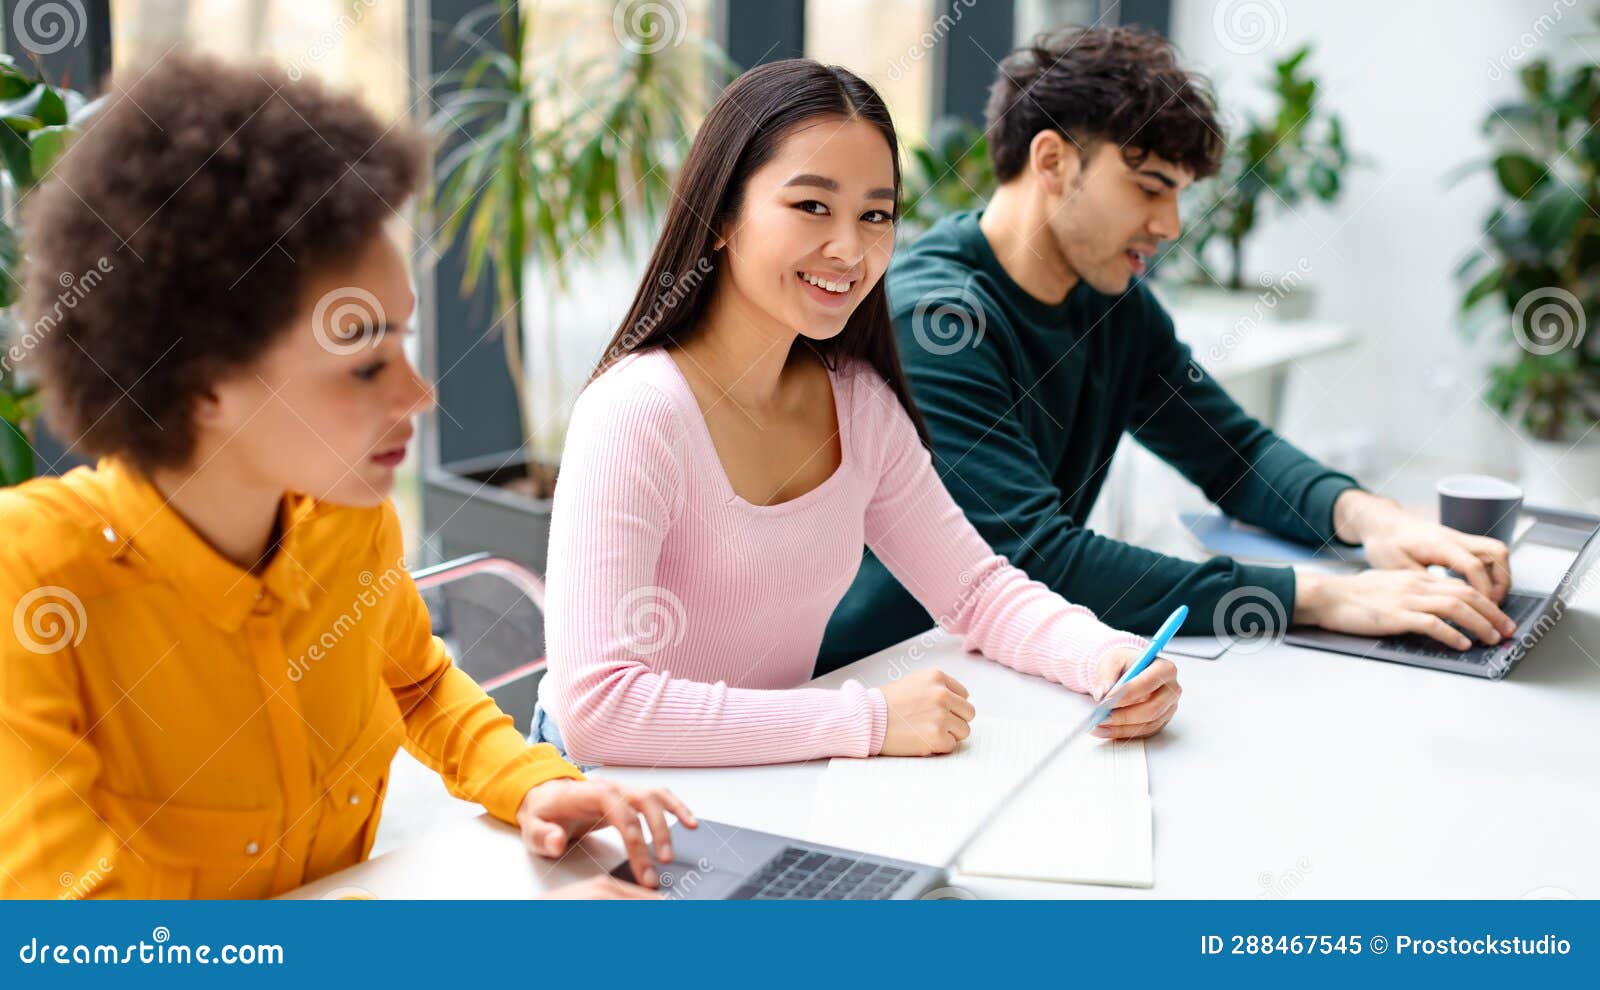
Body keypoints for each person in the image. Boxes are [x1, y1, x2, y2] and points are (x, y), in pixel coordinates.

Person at [0, 54, 691, 900]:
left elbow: (420, 682)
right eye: (366, 363)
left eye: (404, 339)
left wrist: (535, 782)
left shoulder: (346, 522)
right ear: (205, 380)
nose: (419, 394)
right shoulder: (30, 579)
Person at [534, 58, 1180, 770]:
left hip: (764, 783)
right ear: (718, 216)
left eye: (875, 215)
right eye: (812, 206)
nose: (849, 248)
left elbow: (974, 590)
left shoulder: (857, 402)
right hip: (606, 800)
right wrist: (866, 719)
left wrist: (1103, 656)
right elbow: (599, 709)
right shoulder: (634, 414)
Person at [818, 26, 1517, 672]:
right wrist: (1325, 597)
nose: (1171, 224)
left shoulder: (1113, 307)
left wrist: (1375, 521)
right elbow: (1036, 557)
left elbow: (1233, 455)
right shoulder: (935, 320)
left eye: (1179, 194)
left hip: (998, 667)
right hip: (878, 677)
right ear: (1053, 161)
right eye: (1150, 187)